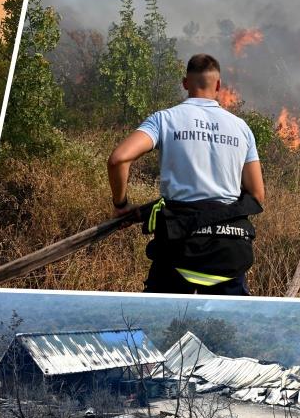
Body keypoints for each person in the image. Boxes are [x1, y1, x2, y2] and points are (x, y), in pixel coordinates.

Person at [108, 54, 265, 295]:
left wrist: (121, 204)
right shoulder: (241, 128)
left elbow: (119, 159)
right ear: (219, 86)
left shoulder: (164, 120)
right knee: (226, 331)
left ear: (184, 83)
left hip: (178, 250)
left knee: (160, 327)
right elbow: (256, 195)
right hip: (229, 253)